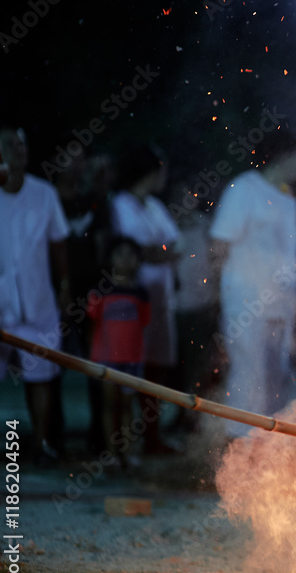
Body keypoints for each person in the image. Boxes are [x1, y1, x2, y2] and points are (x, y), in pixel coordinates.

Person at [209, 129, 296, 438]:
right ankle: (238, 443)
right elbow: (219, 245)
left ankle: (271, 447)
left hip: (282, 302)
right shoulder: (244, 189)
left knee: (278, 374)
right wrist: (218, 295)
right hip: (246, 300)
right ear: (284, 155)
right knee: (248, 371)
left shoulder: (288, 198)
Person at [0, 127, 71, 465]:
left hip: (39, 301)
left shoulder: (44, 193)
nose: (17, 150)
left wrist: (65, 286)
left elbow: (58, 243)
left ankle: (40, 443)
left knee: (41, 375)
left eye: (21, 144)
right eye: (9, 144)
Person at [111, 143, 181, 454]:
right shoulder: (121, 204)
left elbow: (172, 247)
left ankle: (151, 436)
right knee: (127, 368)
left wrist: (158, 253)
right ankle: (118, 442)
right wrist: (158, 252)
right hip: (132, 299)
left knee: (154, 368)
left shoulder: (154, 206)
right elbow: (136, 250)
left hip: (160, 297)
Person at [87, 236, 150, 473]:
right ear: (110, 259)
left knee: (127, 406)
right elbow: (92, 323)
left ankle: (128, 452)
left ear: (137, 261)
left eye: (130, 255)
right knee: (109, 406)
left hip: (132, 358)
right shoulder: (100, 291)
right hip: (105, 358)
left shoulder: (141, 293)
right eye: (119, 254)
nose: (125, 259)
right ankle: (111, 454)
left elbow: (143, 323)